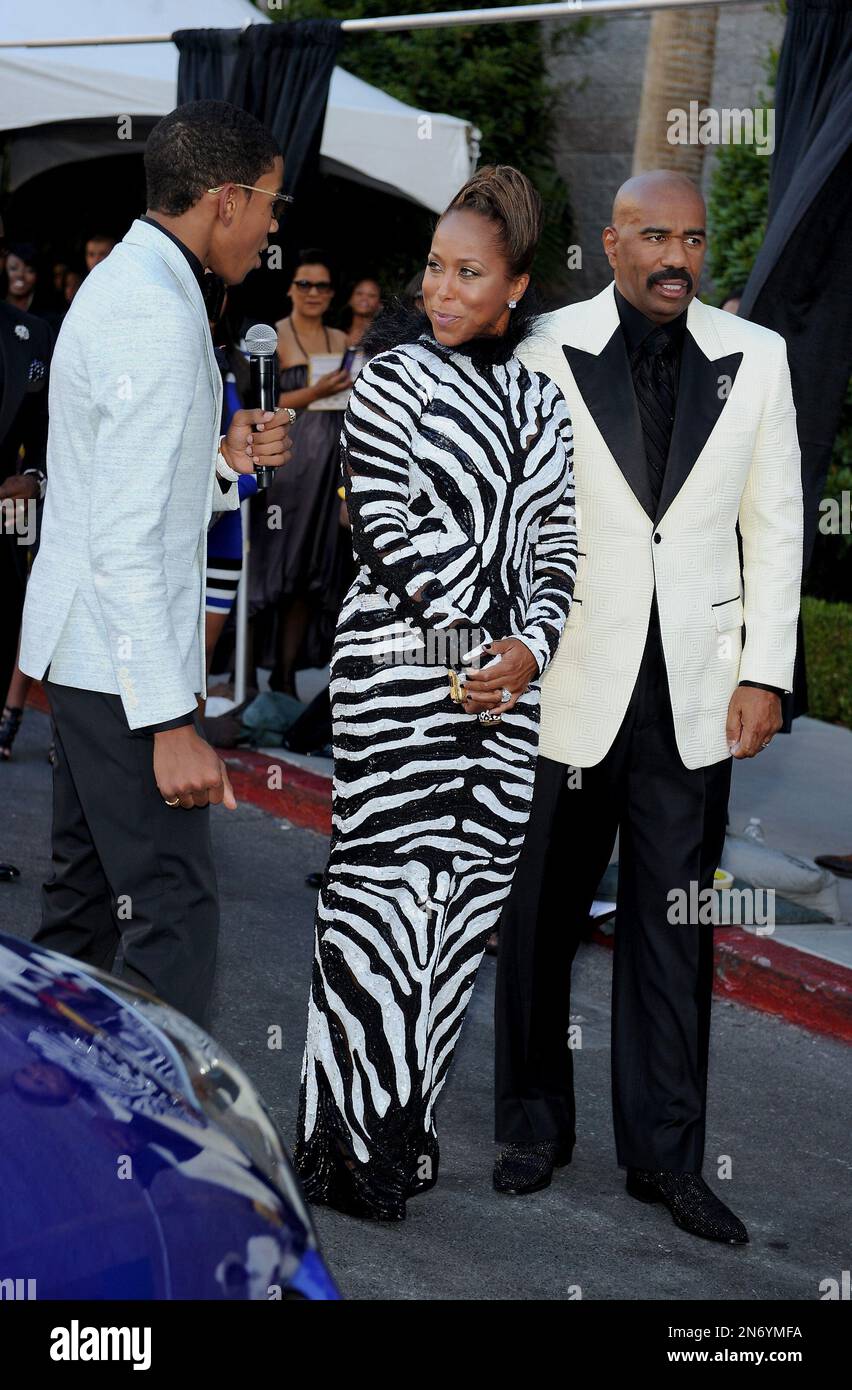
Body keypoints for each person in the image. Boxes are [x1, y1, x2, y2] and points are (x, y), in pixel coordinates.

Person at [492, 171, 803, 1245]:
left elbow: (776, 526)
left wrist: (766, 670)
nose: (679, 255)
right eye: (656, 235)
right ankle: (532, 1127)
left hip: (696, 695)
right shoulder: (542, 345)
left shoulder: (756, 357)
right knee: (539, 914)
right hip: (571, 678)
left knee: (677, 930)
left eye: (696, 238)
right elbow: (514, 517)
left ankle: (667, 1158)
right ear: (613, 243)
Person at [293, 165, 577, 1222]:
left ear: (515, 287)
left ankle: (404, 1124)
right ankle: (342, 1140)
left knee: (459, 917)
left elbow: (557, 542)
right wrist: (477, 644)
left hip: (508, 696)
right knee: (379, 900)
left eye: (470, 273)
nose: (444, 289)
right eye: (435, 268)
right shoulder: (391, 374)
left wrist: (529, 652)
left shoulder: (541, 398)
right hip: (402, 671)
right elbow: (387, 529)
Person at [18, 100, 292, 1027]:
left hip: (87, 655)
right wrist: (173, 719)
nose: (270, 229)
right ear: (226, 198)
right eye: (270, 205)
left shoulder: (139, 281)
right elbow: (127, 541)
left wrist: (221, 462)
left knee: (85, 909)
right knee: (172, 915)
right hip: (121, 670)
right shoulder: (153, 311)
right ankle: (154, 1151)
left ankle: (44, 1134)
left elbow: (111, 490)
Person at [249, 251, 352, 695]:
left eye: (322, 286)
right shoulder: (272, 336)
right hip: (284, 467)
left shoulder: (343, 339)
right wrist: (314, 390)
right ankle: (244, 677)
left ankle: (286, 674)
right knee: (270, 568)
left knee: (310, 572)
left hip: (329, 469)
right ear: (290, 287)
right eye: (305, 284)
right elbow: (262, 407)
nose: (313, 293)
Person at [0, 230, 53, 762]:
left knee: (21, 601)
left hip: (11, 507)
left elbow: (42, 424)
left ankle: (8, 712)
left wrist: (34, 476)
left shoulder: (35, 333)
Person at [342, 276, 382, 346]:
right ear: (350, 300)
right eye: (359, 293)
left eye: (371, 295)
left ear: (380, 304)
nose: (364, 298)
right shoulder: (337, 333)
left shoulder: (383, 336)